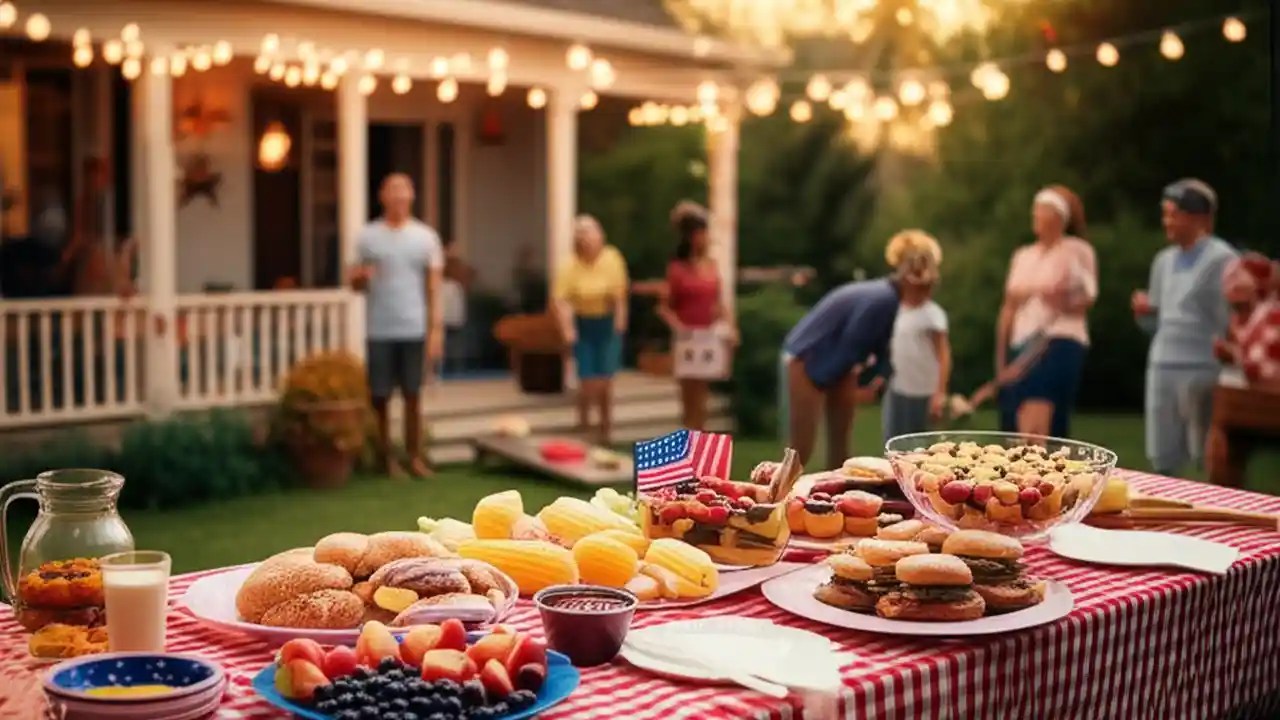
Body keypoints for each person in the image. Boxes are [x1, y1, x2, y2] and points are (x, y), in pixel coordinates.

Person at [781, 231, 940, 469]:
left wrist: (878, 379)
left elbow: (883, 349)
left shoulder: (891, 300)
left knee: (841, 452)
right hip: (808, 358)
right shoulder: (882, 299)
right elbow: (853, 341)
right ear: (907, 281)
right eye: (921, 289)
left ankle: (836, 501)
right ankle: (773, 498)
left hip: (835, 362)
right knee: (801, 449)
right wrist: (854, 386)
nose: (925, 296)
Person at [1132, 179, 1237, 476]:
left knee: (1207, 453)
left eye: (1174, 213)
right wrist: (1145, 313)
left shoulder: (1222, 259)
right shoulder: (1163, 261)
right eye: (1165, 214)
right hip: (1162, 364)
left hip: (1201, 366)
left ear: (1199, 218)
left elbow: (1231, 317)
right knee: (1163, 454)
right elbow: (1156, 323)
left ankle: (1212, 511)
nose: (1167, 221)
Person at [350, 174, 445, 478]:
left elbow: (433, 288)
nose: (399, 197)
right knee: (379, 397)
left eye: (404, 191)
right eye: (393, 191)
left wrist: (435, 330)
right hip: (379, 328)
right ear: (383, 196)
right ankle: (385, 459)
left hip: (413, 327)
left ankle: (414, 457)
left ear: (412, 196)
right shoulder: (368, 237)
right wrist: (360, 278)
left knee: (412, 395)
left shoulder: (426, 238)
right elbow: (352, 282)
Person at [996, 185, 1097, 438]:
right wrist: (1002, 360)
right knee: (1013, 419)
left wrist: (1061, 303)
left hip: (1058, 339)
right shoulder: (1023, 255)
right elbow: (1008, 307)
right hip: (1022, 343)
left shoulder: (1075, 250)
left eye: (1040, 211)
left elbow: (1088, 297)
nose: (1035, 217)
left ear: (1058, 217)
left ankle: (1049, 474)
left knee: (1041, 424)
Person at [658, 200, 736, 430]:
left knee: (702, 396)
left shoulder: (712, 265)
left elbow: (720, 301)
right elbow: (664, 306)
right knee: (688, 395)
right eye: (702, 233)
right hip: (688, 337)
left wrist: (730, 327)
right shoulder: (677, 269)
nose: (706, 238)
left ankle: (700, 444)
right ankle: (688, 443)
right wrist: (678, 326)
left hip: (709, 335)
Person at [553, 215, 628, 444]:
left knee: (605, 380)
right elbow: (559, 300)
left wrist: (620, 320)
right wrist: (567, 328)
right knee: (587, 380)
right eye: (583, 236)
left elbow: (619, 295)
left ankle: (605, 428)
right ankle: (584, 424)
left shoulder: (612, 258)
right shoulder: (570, 265)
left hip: (606, 323)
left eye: (592, 235)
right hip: (584, 324)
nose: (588, 241)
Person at [881, 231, 950, 441]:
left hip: (924, 392)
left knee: (921, 444)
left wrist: (939, 393)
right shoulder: (893, 308)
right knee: (893, 442)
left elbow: (943, 355)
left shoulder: (932, 314)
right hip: (897, 388)